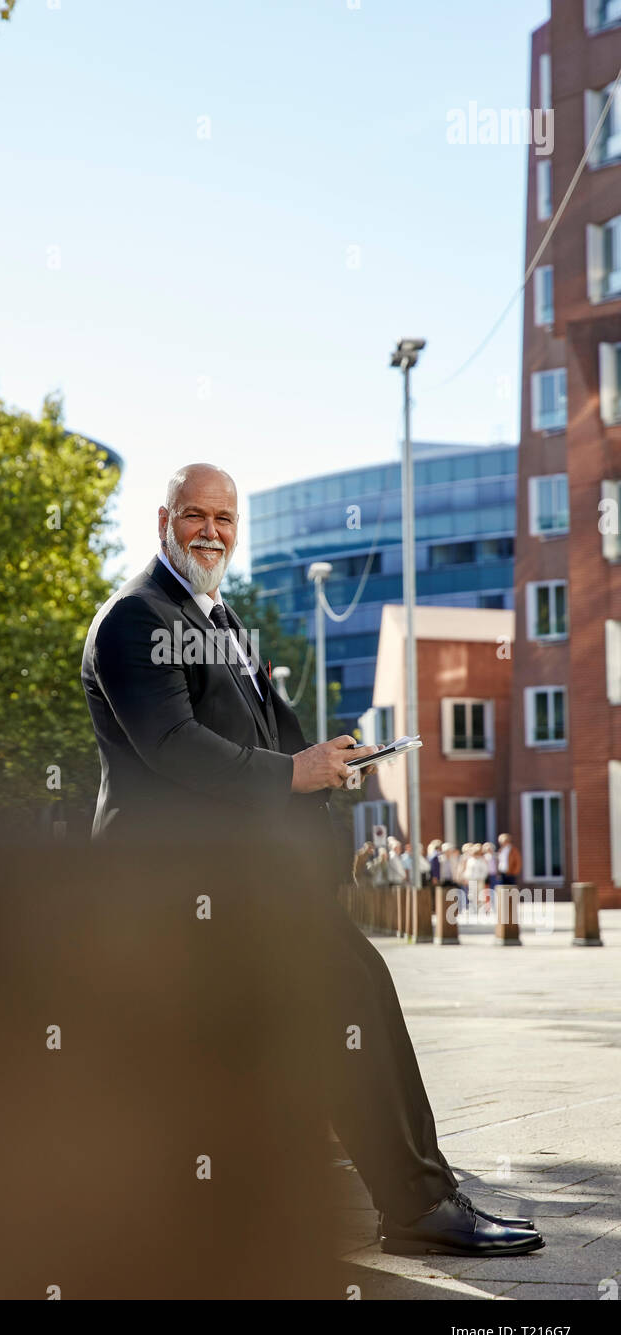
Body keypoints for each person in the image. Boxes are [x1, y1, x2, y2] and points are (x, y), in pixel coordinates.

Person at [81, 463, 543, 1257]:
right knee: (353, 989)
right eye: (195, 515)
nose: (212, 532)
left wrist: (329, 757)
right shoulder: (134, 616)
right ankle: (418, 1204)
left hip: (235, 885)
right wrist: (292, 773)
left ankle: (353, 1196)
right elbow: (170, 745)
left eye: (225, 519)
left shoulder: (214, 617)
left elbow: (263, 737)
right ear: (164, 521)